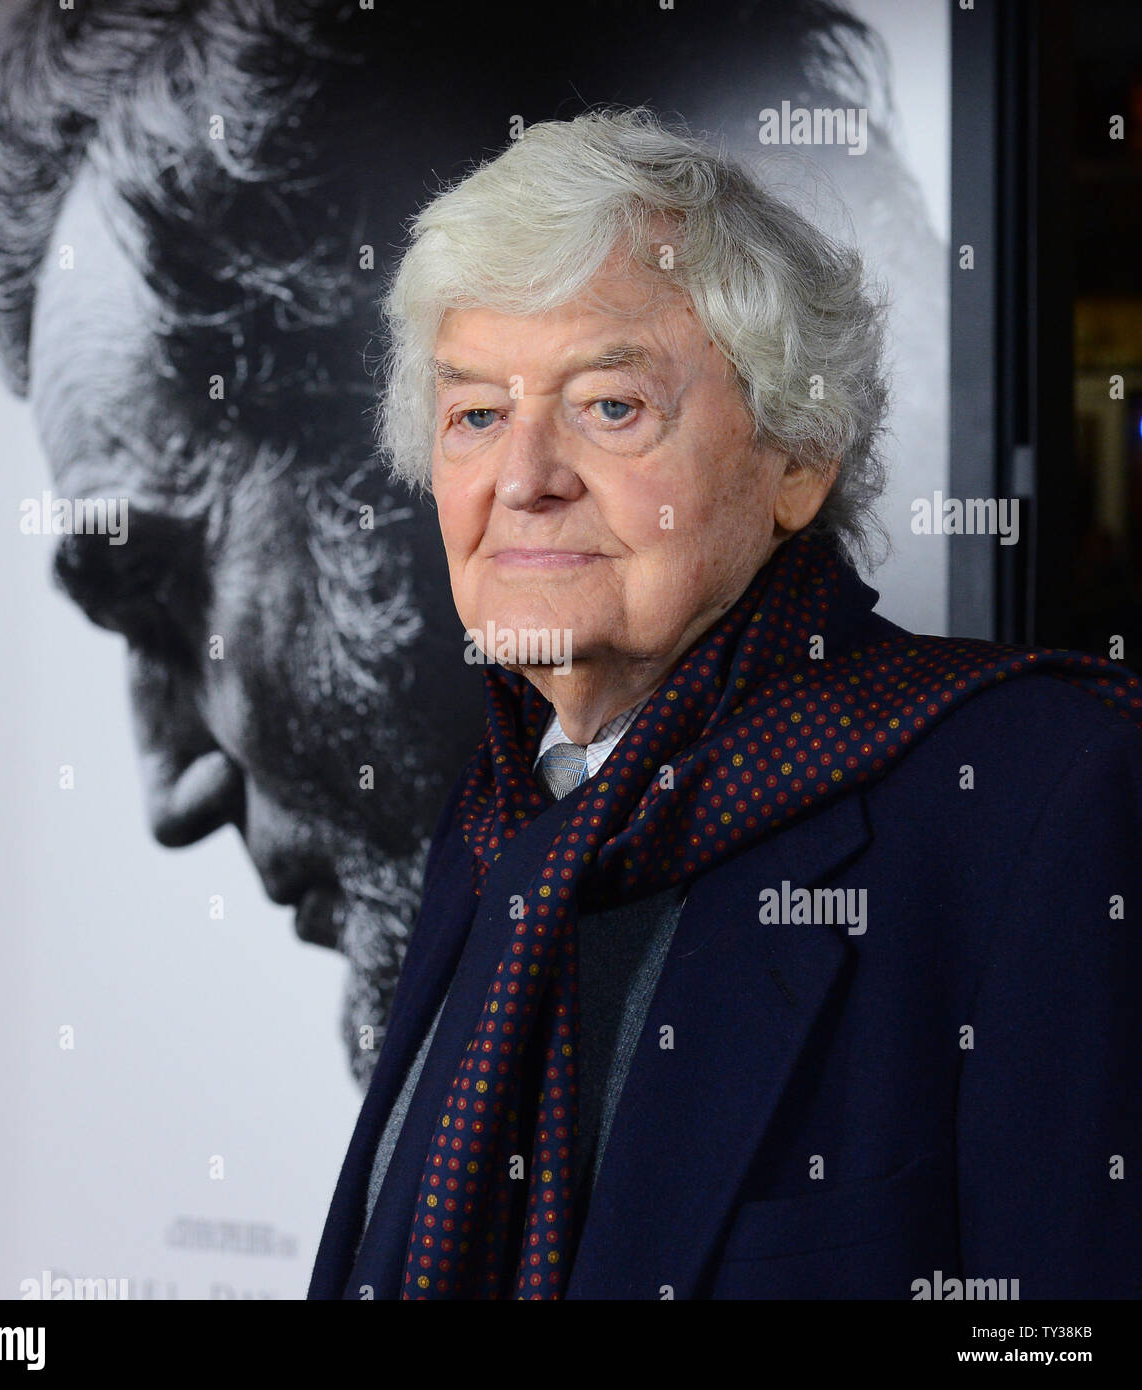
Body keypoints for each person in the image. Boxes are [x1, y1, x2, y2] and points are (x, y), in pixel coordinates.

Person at [0, 0, 941, 1085]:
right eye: (471, 422)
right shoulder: (485, 903)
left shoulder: (1030, 824)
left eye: (612, 406)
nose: (169, 790)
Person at [308, 109, 1142, 1300]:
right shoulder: (500, 818)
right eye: (476, 415)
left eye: (610, 406)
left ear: (796, 460)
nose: (524, 477)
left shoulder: (1044, 798)